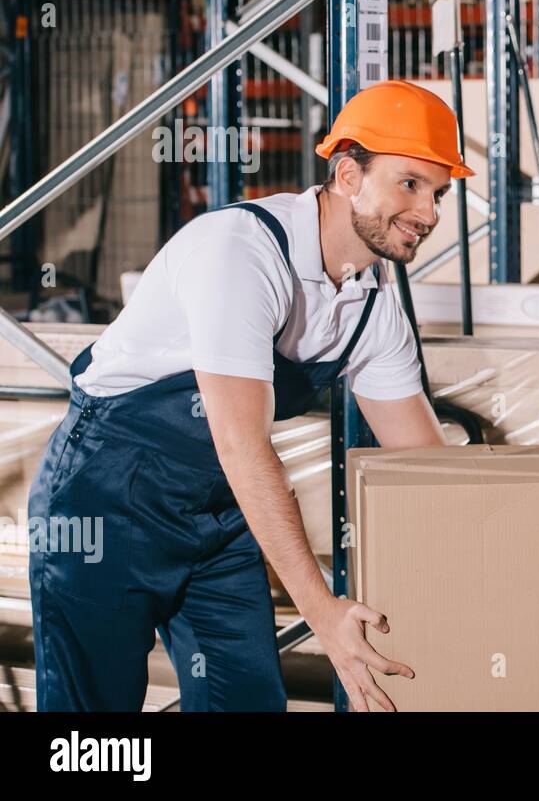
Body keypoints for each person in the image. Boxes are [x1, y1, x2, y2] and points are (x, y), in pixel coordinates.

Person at [27, 80, 473, 712]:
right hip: (109, 498)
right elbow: (241, 443)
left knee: (246, 702)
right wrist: (323, 616)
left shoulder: (373, 305)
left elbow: (427, 468)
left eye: (438, 193)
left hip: (218, 512)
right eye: (409, 184)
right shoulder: (242, 253)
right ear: (348, 174)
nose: (428, 213)